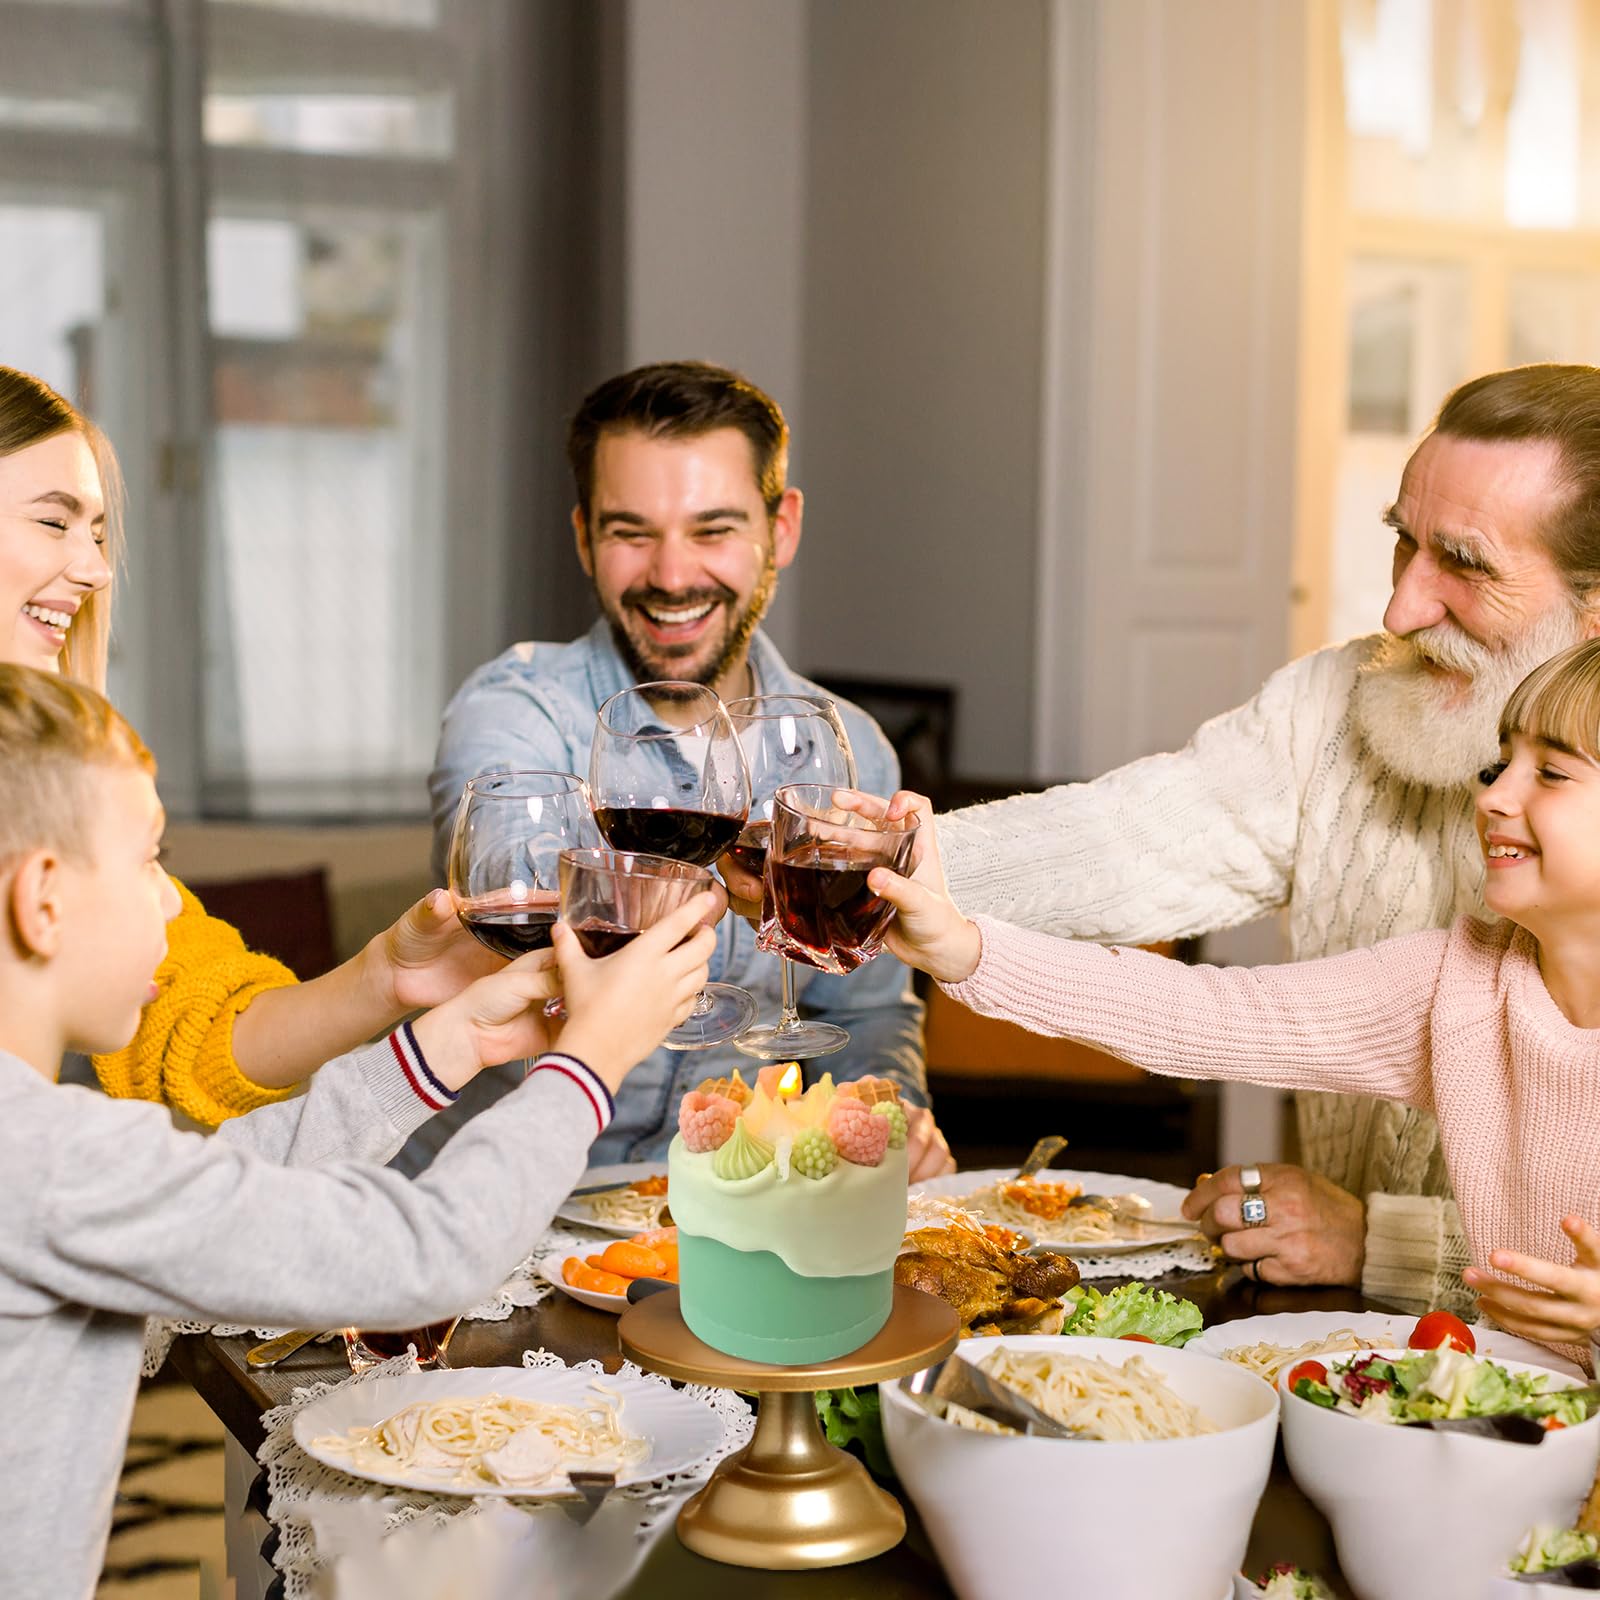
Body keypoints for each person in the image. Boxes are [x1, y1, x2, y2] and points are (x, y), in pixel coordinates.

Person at [0, 662, 716, 1599]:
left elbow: (225, 1185)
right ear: (44, 897)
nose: (175, 903)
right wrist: (589, 1061)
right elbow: (431, 1252)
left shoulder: (45, 1149)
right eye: (149, 860)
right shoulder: (47, 1157)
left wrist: (442, 1047)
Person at [930, 363, 1600, 1313]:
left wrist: (1384, 1239)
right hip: (1351, 1356)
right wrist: (878, 870)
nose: (1400, 610)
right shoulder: (1347, 714)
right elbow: (1164, 920)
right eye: (1403, 545)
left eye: (1468, 564)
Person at [865, 634, 1600, 1366]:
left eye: (1554, 774)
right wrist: (963, 949)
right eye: (1504, 763)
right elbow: (1203, 1011)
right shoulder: (1458, 983)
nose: (1495, 793)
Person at [425, 360, 952, 1177]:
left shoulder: (847, 747)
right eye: (631, 533)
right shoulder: (517, 716)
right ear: (583, 537)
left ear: (781, 528)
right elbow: (535, 944)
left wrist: (888, 1108)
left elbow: (870, 1009)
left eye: (712, 530)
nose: (672, 577)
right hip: (503, 1209)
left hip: (717, 1212)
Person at [0, 364, 503, 1123]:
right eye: (54, 520)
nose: (98, 569)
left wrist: (384, 980)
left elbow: (190, 1031)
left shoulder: (64, 780)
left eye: (99, 532)